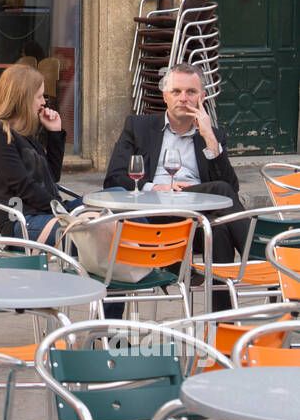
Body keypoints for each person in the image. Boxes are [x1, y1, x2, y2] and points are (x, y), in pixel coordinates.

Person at [104, 61, 247, 306]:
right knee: (220, 190)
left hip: (193, 220)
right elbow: (114, 178)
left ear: (202, 96)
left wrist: (210, 140)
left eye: (191, 92)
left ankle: (222, 326)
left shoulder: (213, 135)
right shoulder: (138, 127)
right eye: (176, 92)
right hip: (151, 215)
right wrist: (153, 188)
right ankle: (266, 257)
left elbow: (232, 190)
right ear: (165, 96)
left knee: (220, 231)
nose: (183, 98)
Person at [0, 63, 81, 244]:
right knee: (95, 230)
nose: (44, 102)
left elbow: (52, 176)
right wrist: (62, 211)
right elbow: (23, 186)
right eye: (39, 97)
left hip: (46, 211)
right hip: (22, 221)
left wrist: (54, 132)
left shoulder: (23, 131)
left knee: (116, 203)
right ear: (22, 98)